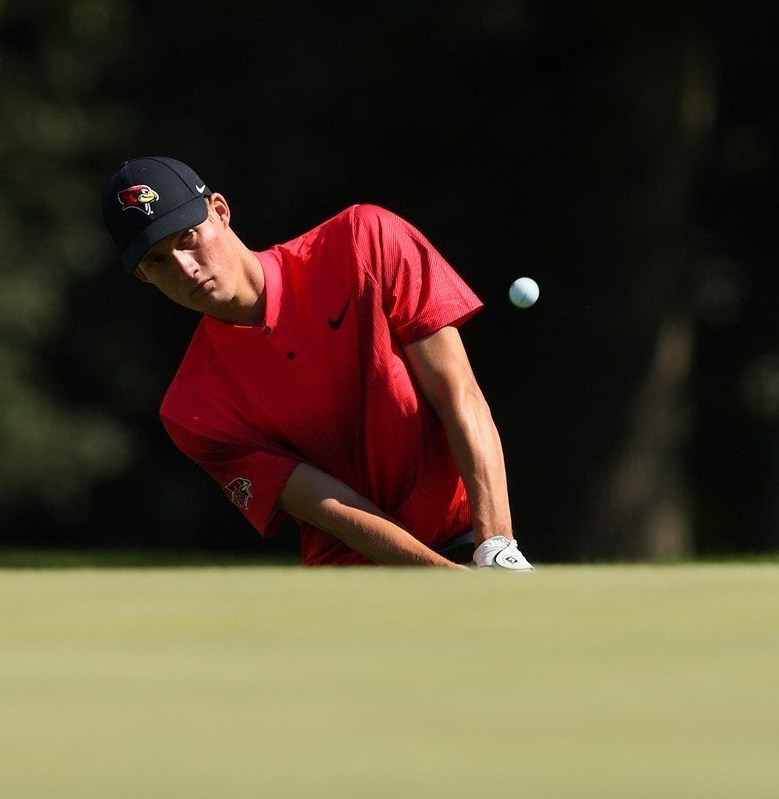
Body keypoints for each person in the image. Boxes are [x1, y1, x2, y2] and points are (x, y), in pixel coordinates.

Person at [100, 156, 533, 570]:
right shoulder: (191, 408)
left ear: (219, 210)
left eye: (187, 238)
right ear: (143, 277)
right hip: (356, 579)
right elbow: (334, 509)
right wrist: (447, 580)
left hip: (467, 537)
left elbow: (457, 391)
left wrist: (496, 548)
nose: (185, 268)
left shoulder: (365, 239)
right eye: (157, 260)